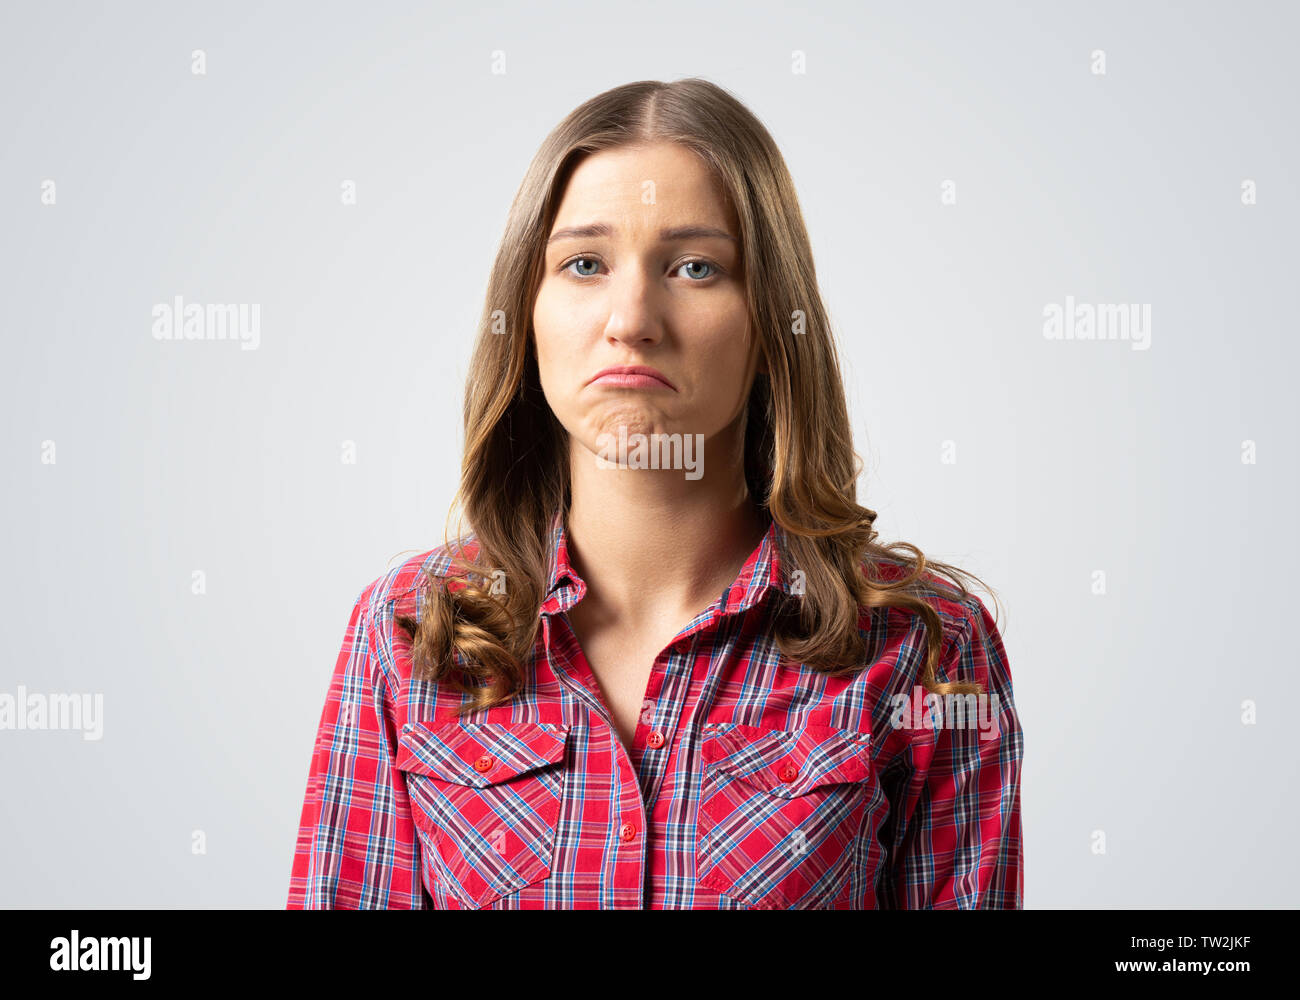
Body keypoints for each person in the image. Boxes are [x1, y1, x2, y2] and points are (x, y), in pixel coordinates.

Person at [286, 77, 1024, 909]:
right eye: (585, 264)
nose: (632, 317)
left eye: (695, 266)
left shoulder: (925, 647)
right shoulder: (409, 634)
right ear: (526, 313)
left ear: (772, 318)